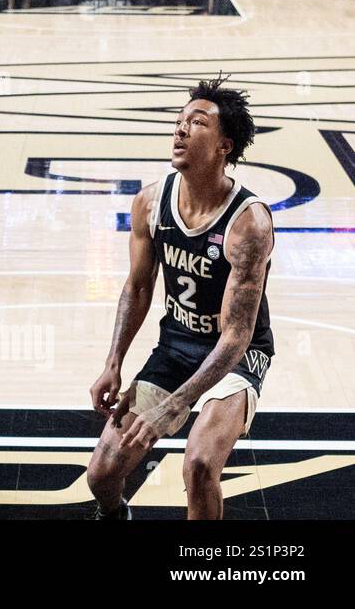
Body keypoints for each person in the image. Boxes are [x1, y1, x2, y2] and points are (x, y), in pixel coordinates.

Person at [86, 77, 275, 520]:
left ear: (224, 145)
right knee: (102, 475)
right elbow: (137, 287)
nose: (181, 129)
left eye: (197, 122)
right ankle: (113, 514)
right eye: (179, 121)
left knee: (200, 464)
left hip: (237, 357)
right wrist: (113, 361)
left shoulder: (249, 225)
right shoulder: (150, 202)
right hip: (176, 346)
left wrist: (175, 406)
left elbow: (236, 336)